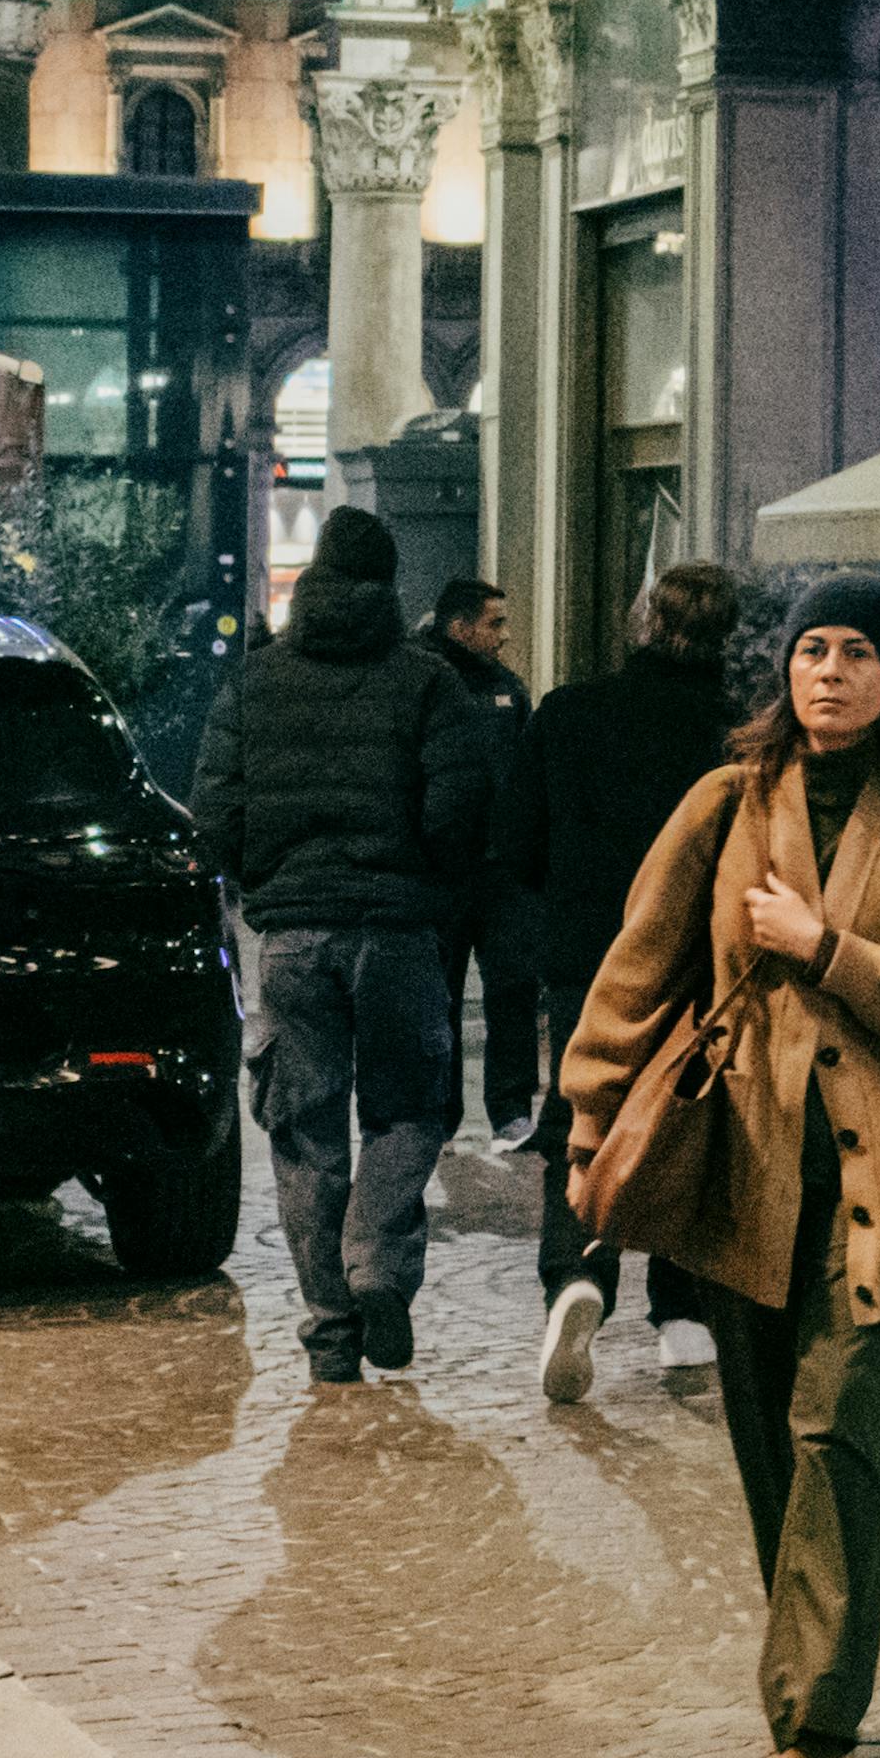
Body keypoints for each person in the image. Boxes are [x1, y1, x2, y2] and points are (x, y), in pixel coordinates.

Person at [545, 569, 880, 1758]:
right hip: (739, 1173)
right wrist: (589, 1114)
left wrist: (828, 949)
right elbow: (639, 962)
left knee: (839, 1430)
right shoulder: (726, 800)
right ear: (782, 672)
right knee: (769, 1444)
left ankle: (812, 1732)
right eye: (811, 649)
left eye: (858, 652)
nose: (829, 672)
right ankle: (811, 1649)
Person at [193, 502, 507, 1380]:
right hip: (399, 932)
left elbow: (216, 810)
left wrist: (263, 883)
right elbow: (458, 810)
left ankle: (331, 1326)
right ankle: (376, 1262)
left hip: (292, 936)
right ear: (389, 582)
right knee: (410, 1109)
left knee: (304, 1132)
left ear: (313, 581)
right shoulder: (428, 683)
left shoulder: (254, 682)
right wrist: (429, 883)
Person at [521, 557, 744, 1401]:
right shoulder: (739, 736)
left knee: (585, 1110)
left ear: (642, 621)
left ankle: (577, 1273)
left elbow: (518, 842)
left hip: (590, 951)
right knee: (693, 1117)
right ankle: (683, 1318)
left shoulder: (569, 714)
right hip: (705, 962)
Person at [423, 573, 543, 1148]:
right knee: (438, 994)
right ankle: (441, 1114)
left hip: (501, 871)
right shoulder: (421, 681)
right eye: (494, 623)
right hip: (442, 870)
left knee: (513, 988)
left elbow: (524, 772)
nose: (505, 635)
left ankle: (511, 1112)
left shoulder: (508, 691)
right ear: (460, 626)